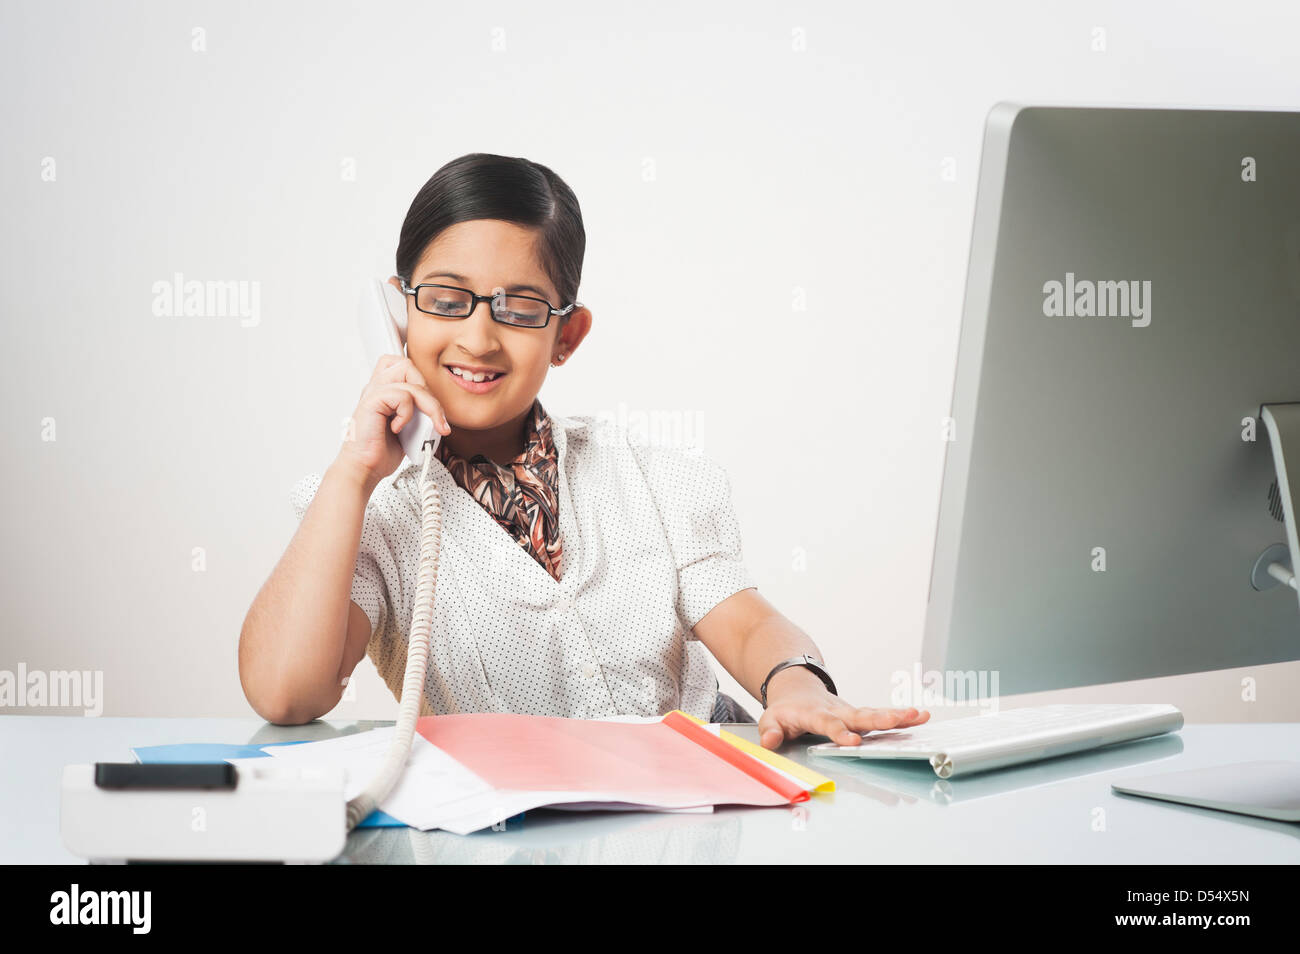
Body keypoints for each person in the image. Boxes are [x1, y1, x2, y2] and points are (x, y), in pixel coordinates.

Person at [239, 152, 929, 751]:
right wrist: (354, 471)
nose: (479, 339)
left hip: (691, 804)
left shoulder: (647, 475)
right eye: (447, 300)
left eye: (519, 308)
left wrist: (796, 684)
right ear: (395, 315)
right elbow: (286, 694)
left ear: (566, 336)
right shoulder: (371, 515)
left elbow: (748, 625)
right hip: (519, 829)